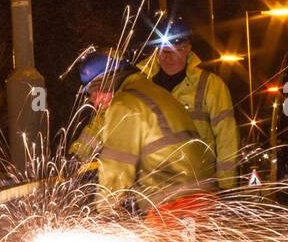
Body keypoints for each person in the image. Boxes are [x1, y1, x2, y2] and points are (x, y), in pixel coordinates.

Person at [69, 52, 215, 222]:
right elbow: (99, 130)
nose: (95, 103)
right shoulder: (151, 91)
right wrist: (77, 158)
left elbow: (116, 168)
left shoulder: (124, 105)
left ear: (106, 83)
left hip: (174, 203)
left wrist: (105, 214)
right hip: (202, 195)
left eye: (94, 94)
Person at [141, 16, 239, 190]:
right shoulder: (140, 84)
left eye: (174, 51)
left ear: (187, 49)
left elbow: (227, 139)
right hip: (151, 189)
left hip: (196, 186)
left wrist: (226, 186)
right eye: (163, 51)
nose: (167, 58)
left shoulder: (211, 85)